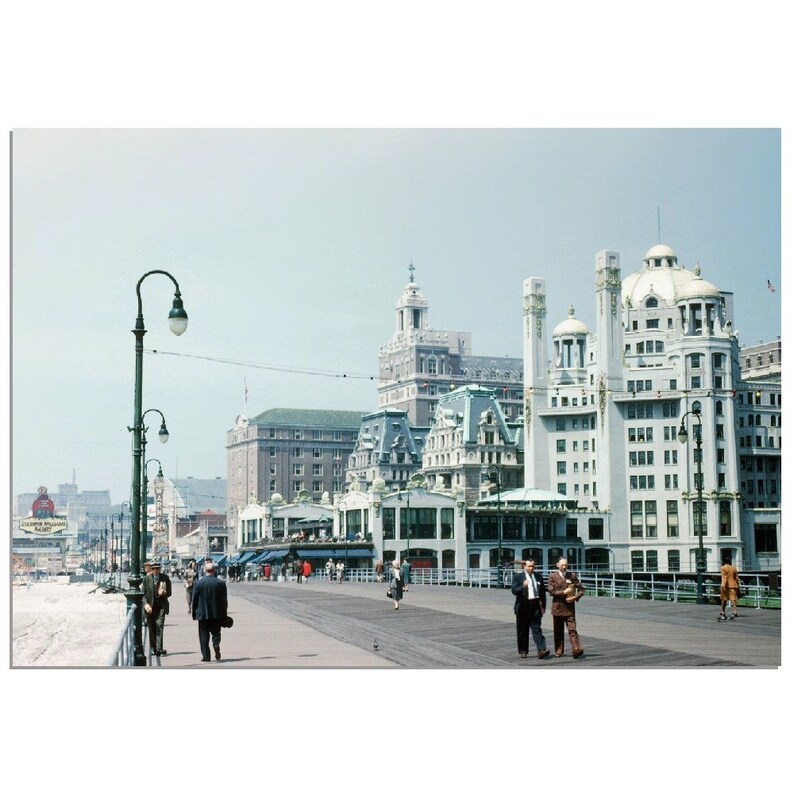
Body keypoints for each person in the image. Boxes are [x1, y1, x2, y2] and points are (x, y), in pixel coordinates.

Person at [510, 559, 550, 659]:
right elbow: (514, 590)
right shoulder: (518, 577)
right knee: (522, 630)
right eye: (529, 566)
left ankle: (541, 650)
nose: (531, 568)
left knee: (537, 629)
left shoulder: (538, 577)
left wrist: (543, 607)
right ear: (524, 566)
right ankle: (523, 651)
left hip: (535, 605)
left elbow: (542, 594)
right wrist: (523, 586)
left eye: (533, 566)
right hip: (523, 606)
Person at [546, 557, 585, 658]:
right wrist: (564, 592)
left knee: (572, 629)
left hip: (569, 608)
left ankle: (576, 649)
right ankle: (559, 651)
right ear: (557, 565)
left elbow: (581, 589)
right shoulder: (552, 576)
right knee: (558, 631)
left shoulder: (572, 575)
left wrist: (575, 597)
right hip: (557, 607)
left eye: (566, 565)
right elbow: (551, 592)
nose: (564, 567)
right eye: (562, 565)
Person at [191, 559, 229, 662]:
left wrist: (194, 613)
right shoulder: (220, 583)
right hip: (216, 614)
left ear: (205, 571)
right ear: (214, 570)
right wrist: (224, 614)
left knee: (203, 635)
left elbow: (194, 600)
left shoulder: (198, 583)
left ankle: (206, 656)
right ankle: (216, 644)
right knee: (216, 633)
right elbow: (224, 601)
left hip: (202, 614)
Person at [142, 560, 172, 657]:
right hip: (150, 607)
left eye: (157, 569)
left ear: (160, 569)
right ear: (151, 569)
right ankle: (153, 648)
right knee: (151, 628)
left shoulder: (165, 578)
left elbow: (169, 593)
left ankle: (159, 649)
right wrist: (146, 604)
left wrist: (164, 593)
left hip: (161, 606)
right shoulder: (146, 579)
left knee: (159, 626)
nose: (156, 570)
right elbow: (143, 594)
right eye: (154, 569)